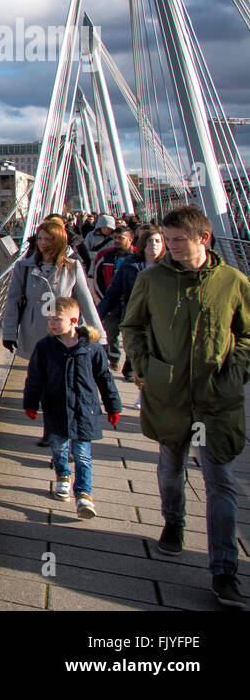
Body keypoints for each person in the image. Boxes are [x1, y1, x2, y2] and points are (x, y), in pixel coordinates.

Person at [121, 205, 250, 609]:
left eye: (178, 241)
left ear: (203, 240)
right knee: (170, 469)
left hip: (215, 400)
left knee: (221, 483)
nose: (170, 248)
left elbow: (247, 336)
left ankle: (224, 570)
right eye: (167, 240)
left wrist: (232, 375)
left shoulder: (233, 282)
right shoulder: (152, 279)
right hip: (169, 396)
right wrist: (144, 368)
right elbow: (132, 326)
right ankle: (173, 524)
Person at [3, 218, 105, 446]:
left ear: (58, 241)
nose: (43, 244)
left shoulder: (72, 268)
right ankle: (51, 427)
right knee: (42, 382)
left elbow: (85, 300)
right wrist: (9, 332)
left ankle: (59, 431)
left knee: (62, 383)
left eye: (49, 239)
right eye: (40, 239)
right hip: (35, 329)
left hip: (65, 334)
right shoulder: (24, 267)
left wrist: (98, 334)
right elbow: (12, 301)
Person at [24, 297, 122, 518]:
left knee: (82, 454)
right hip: (56, 409)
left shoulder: (92, 349)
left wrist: (112, 405)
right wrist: (30, 402)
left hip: (84, 410)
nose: (51, 324)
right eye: (49, 319)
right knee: (59, 448)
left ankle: (84, 495)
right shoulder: (45, 347)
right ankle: (63, 476)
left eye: (57, 320)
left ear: (74, 321)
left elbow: (104, 378)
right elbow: (34, 378)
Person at [98, 227, 164, 391]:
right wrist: (96, 317)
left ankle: (146, 391)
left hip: (160, 321)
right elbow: (113, 292)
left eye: (158, 241)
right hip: (133, 317)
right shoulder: (130, 266)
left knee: (154, 357)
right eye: (150, 241)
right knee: (136, 351)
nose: (154, 245)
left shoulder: (169, 267)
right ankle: (142, 387)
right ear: (142, 244)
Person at [92, 227, 136, 368]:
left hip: (131, 301)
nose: (116, 241)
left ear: (130, 240)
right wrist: (103, 297)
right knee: (111, 332)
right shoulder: (106, 256)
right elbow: (97, 278)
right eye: (115, 238)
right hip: (112, 299)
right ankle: (114, 357)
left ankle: (129, 368)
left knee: (130, 335)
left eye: (120, 238)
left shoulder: (138, 256)